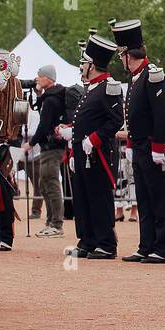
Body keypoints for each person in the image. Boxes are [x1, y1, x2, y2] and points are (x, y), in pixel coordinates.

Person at [111, 19, 165, 264]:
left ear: (129, 55)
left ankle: (162, 247)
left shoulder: (154, 76)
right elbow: (134, 117)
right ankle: (146, 245)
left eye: (122, 56)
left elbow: (161, 114)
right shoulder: (136, 77)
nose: (121, 61)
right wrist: (130, 144)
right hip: (139, 145)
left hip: (153, 147)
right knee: (144, 198)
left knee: (158, 198)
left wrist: (158, 147)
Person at [62, 34, 124, 260]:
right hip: (82, 151)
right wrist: (73, 146)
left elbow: (116, 120)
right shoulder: (91, 87)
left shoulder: (109, 87)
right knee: (82, 197)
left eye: (84, 64)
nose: (81, 68)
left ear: (92, 65)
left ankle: (106, 243)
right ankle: (87, 240)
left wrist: (95, 138)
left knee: (99, 197)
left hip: (97, 152)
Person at [28, 64, 68, 237]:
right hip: (51, 147)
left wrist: (32, 142)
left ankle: (56, 224)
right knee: (45, 184)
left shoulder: (51, 100)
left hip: (51, 147)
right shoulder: (51, 97)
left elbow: (44, 125)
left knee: (50, 184)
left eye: (40, 75)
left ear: (48, 78)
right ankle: (51, 221)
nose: (37, 78)